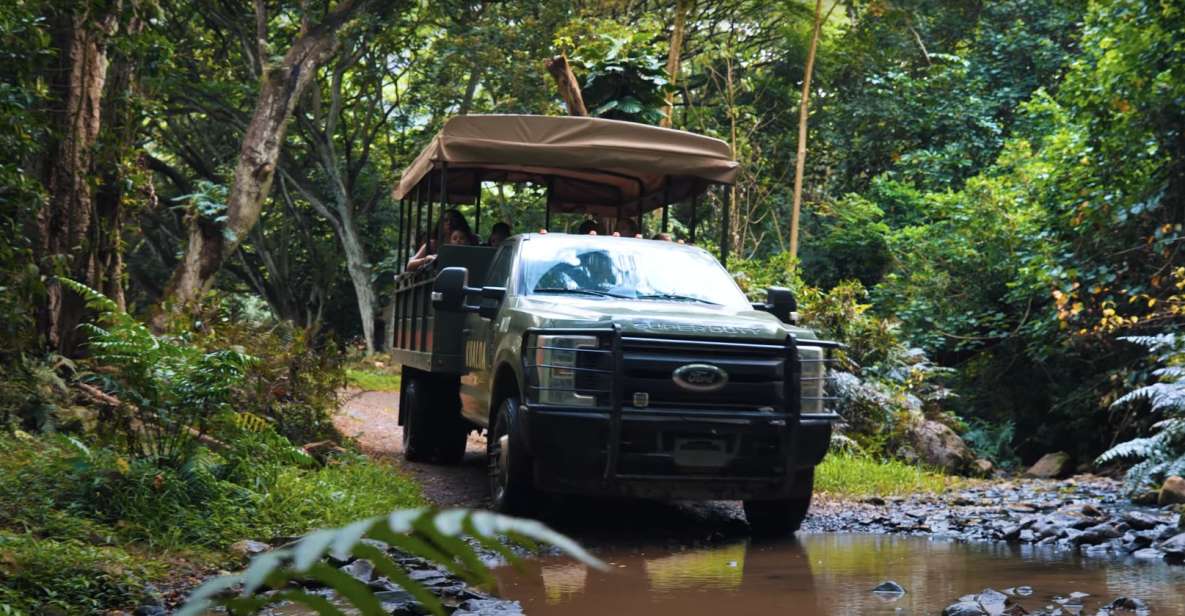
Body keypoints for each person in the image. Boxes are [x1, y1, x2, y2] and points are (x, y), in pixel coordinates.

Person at [406, 209, 471, 270]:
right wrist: (426, 259)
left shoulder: (466, 242)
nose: (449, 223)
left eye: (453, 220)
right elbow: (410, 264)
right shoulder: (433, 244)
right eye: (445, 220)